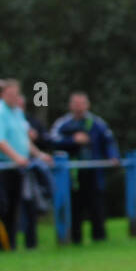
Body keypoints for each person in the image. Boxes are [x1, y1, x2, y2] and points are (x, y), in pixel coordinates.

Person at [48, 91, 120, 244]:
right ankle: (75, 240)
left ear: (87, 105)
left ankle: (100, 238)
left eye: (81, 103)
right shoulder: (63, 123)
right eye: (76, 103)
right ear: (70, 105)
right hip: (72, 174)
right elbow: (52, 140)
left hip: (94, 172)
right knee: (75, 207)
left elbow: (109, 141)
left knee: (97, 206)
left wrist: (113, 156)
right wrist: (72, 140)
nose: (79, 107)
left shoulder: (96, 122)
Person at [0, 79, 55, 250]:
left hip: (17, 167)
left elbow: (24, 140)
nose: (14, 98)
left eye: (16, 94)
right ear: (2, 94)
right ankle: (0, 246)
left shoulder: (16, 112)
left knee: (15, 206)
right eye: (10, 94)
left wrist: (40, 155)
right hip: (1, 166)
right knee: (2, 207)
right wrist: (16, 158)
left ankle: (10, 245)